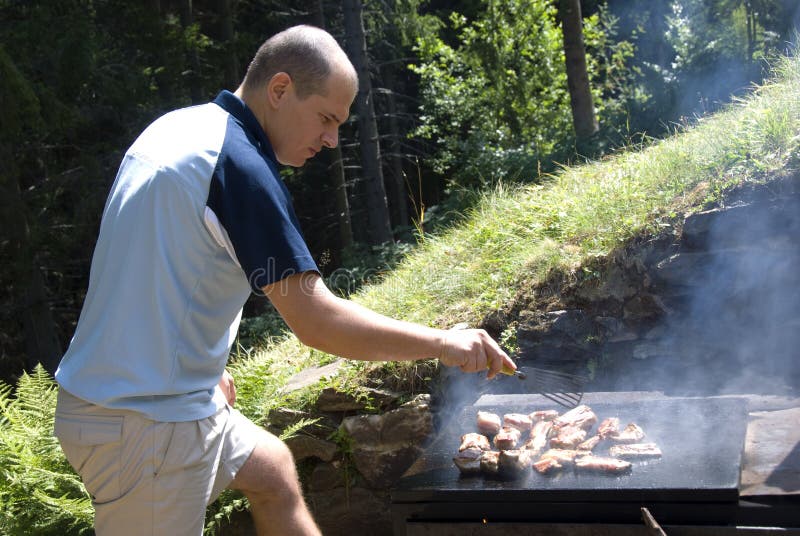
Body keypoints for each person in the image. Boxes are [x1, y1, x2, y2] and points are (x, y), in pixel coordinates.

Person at [53, 25, 515, 536]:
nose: (332, 140)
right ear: (279, 90)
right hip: (147, 423)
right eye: (326, 118)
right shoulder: (239, 168)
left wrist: (200, 367)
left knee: (271, 470)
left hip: (139, 397)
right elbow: (317, 321)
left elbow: (160, 261)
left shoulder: (182, 129)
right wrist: (442, 342)